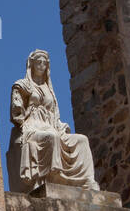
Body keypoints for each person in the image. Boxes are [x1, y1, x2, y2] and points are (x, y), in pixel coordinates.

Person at [10, 49, 99, 192]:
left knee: (82, 140)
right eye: (38, 63)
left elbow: (54, 113)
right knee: (52, 137)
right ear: (31, 65)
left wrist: (60, 125)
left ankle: (86, 181)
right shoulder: (21, 85)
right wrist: (24, 112)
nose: (41, 66)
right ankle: (52, 176)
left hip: (51, 126)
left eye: (44, 63)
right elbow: (16, 113)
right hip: (31, 127)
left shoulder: (48, 89)